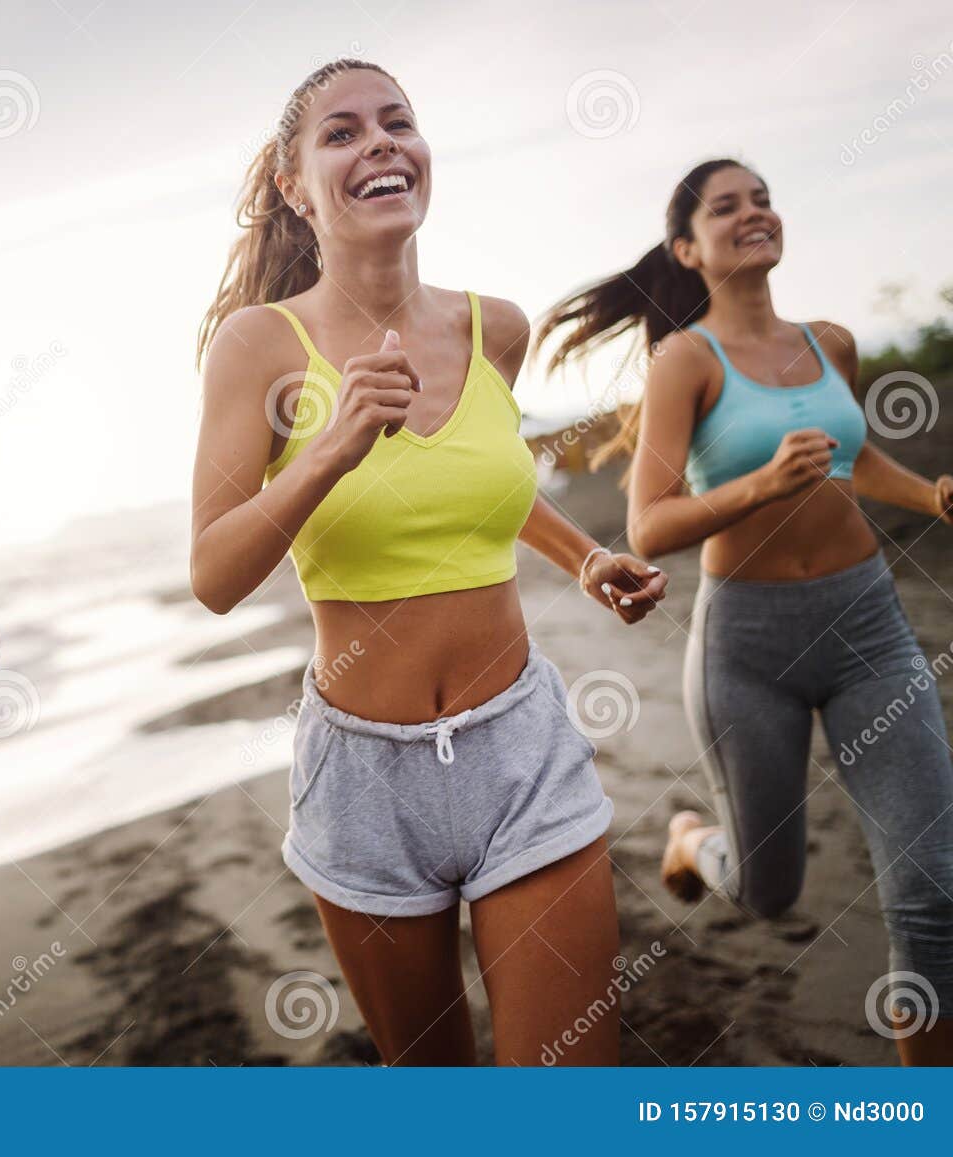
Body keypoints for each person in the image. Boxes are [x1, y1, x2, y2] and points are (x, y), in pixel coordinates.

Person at [191, 59, 668, 1065]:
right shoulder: (258, 347)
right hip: (363, 778)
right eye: (342, 132)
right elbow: (215, 574)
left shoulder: (494, 327)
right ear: (292, 185)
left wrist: (585, 557)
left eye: (396, 122)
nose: (379, 143)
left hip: (521, 748)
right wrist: (330, 448)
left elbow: (472, 486)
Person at [538, 158, 953, 1064]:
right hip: (748, 648)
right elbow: (648, 523)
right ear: (689, 248)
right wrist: (760, 483)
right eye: (727, 206)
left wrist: (932, 498)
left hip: (869, 628)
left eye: (763, 198)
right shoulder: (684, 360)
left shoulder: (832, 342)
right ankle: (692, 838)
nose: (754, 212)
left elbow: (855, 457)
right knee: (769, 893)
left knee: (931, 886)